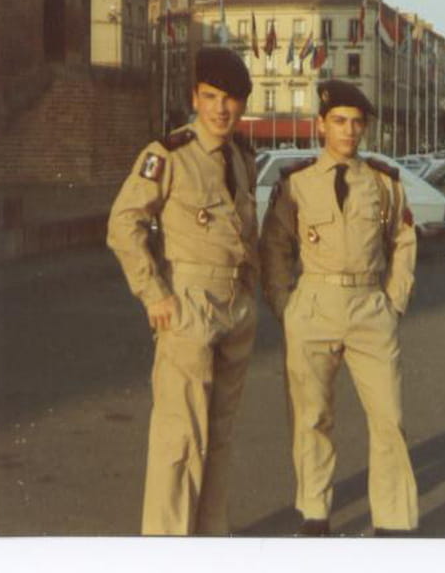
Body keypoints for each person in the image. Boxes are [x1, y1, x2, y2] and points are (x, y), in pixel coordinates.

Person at [107, 47, 257, 536]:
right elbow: (123, 223)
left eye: (231, 99)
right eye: (211, 97)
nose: (220, 109)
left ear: (242, 104)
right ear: (194, 97)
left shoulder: (241, 157)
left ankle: (210, 542)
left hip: (235, 308)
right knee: (180, 441)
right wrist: (154, 294)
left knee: (222, 438)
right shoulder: (168, 154)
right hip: (189, 303)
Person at [259, 79, 419, 536]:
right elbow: (274, 247)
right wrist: (285, 305)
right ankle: (314, 512)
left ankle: (394, 521)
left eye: (356, 123)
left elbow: (404, 242)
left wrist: (394, 302)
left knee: (389, 418)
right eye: (340, 122)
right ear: (321, 125)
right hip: (313, 304)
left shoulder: (384, 184)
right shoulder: (297, 184)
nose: (349, 131)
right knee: (311, 416)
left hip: (370, 306)